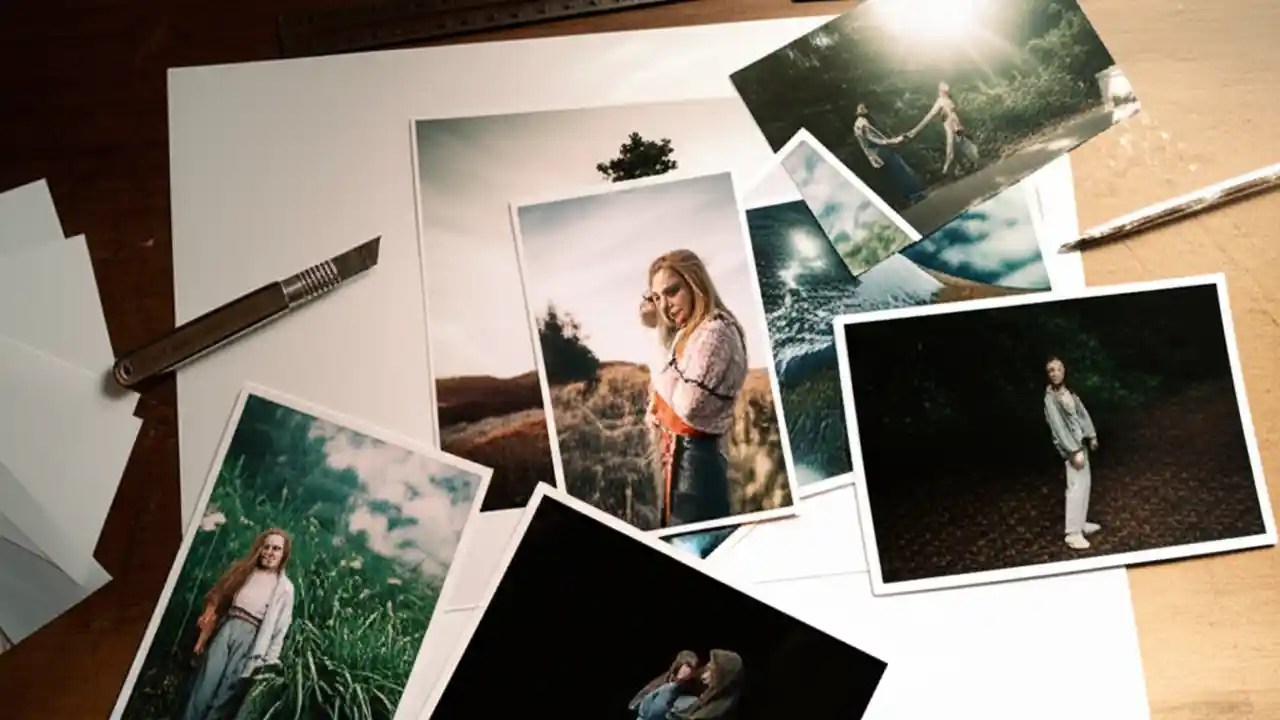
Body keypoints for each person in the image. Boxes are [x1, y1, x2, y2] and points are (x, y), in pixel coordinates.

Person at [639, 249, 747, 528]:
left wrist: (654, 333)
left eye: (672, 292)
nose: (664, 307)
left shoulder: (715, 331)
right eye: (656, 298)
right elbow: (663, 400)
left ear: (695, 284)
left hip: (697, 469)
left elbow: (686, 404)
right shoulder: (690, 334)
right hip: (678, 467)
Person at [182, 527, 296, 720]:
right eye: (266, 547)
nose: (270, 552)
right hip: (228, 627)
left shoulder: (285, 588)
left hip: (252, 638)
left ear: (284, 553)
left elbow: (280, 629)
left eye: (276, 549)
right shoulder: (243, 570)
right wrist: (205, 632)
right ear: (259, 549)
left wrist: (268, 661)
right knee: (205, 684)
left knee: (227, 692)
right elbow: (218, 596)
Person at [1042, 357, 1102, 550]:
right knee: (1075, 486)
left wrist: (1091, 435)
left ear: (1064, 370)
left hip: (1081, 444)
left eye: (1058, 369)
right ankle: (1072, 533)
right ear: (1047, 374)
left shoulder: (1069, 392)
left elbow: (1081, 413)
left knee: (1085, 483)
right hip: (1071, 448)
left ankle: (1080, 523)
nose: (1055, 373)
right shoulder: (1050, 398)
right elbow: (1058, 428)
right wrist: (1072, 450)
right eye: (1051, 370)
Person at [853, 103, 927, 204]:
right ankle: (914, 194)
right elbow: (876, 139)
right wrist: (897, 140)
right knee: (899, 170)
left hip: (877, 152)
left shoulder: (859, 123)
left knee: (895, 173)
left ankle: (907, 197)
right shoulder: (863, 124)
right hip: (879, 151)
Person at [905, 81, 980, 176]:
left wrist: (958, 124)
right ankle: (952, 168)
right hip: (951, 124)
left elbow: (953, 113)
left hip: (955, 124)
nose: (944, 92)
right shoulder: (942, 101)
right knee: (954, 145)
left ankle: (957, 167)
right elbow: (931, 114)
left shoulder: (947, 100)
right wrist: (916, 130)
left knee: (959, 143)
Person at [670, 649, 744, 720]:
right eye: (707, 668)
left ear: (720, 677)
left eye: (710, 670)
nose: (704, 675)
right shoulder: (711, 691)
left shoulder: (714, 710)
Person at [628, 650, 703, 720]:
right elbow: (641, 699)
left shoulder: (692, 689)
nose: (688, 671)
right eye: (687, 666)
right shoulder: (665, 679)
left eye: (692, 668)